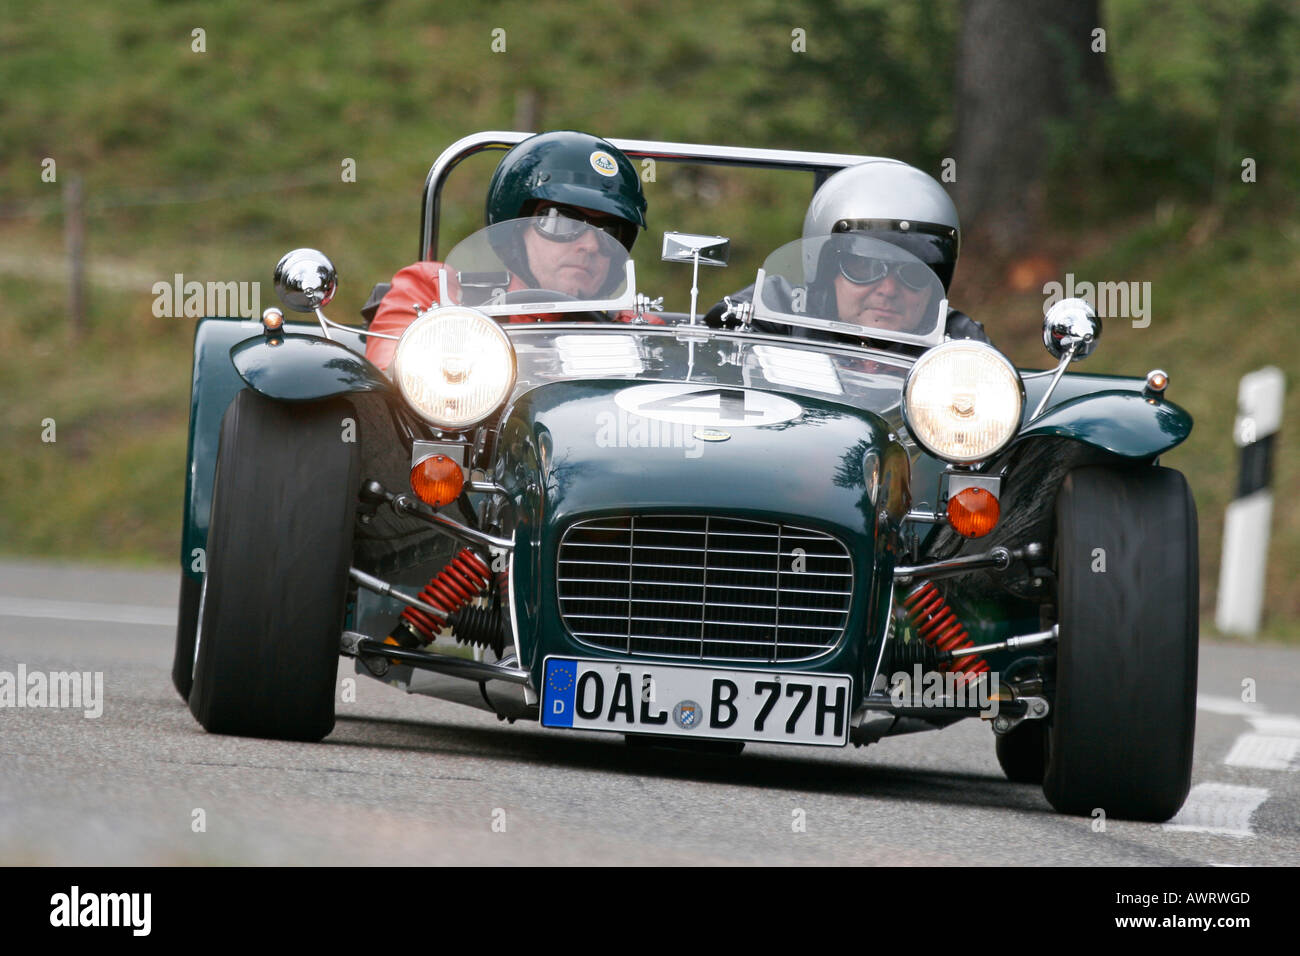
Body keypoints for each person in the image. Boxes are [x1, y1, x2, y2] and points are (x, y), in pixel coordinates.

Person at [365, 130, 649, 371]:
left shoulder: (634, 326)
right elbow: (392, 376)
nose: (589, 245)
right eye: (562, 221)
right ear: (517, 228)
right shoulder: (435, 292)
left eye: (608, 233)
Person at [707, 159, 990, 352]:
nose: (889, 290)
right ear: (827, 270)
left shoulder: (958, 344)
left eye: (914, 274)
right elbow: (712, 352)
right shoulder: (776, 311)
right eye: (865, 268)